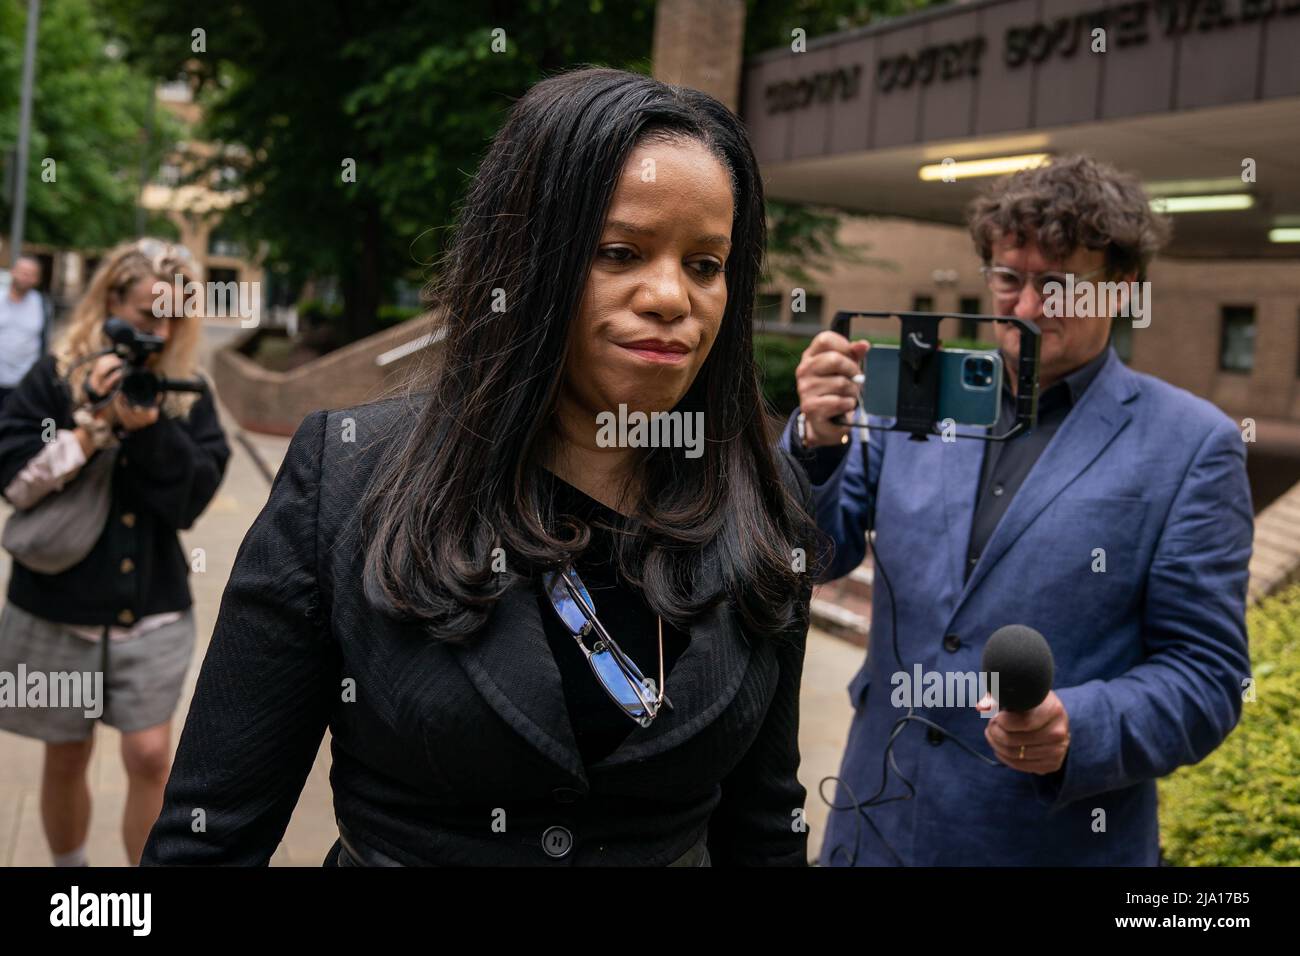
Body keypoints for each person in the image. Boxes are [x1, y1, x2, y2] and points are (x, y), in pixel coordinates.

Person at [142, 67, 823, 867]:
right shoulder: (349, 479)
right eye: (619, 252)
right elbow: (209, 836)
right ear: (527, 260)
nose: (672, 295)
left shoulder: (769, 504)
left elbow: (765, 825)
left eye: (706, 264)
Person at [782, 155, 1253, 865]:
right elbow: (817, 553)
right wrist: (815, 442)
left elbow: (1209, 677)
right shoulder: (918, 397)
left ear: (1121, 289)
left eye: (1058, 285)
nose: (1028, 308)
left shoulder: (1192, 445)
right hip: (874, 828)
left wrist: (1079, 727)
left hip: (1048, 842)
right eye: (1009, 279)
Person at [0, 238, 231, 866]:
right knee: (67, 751)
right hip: (56, 607)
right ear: (108, 302)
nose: (155, 331)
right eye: (143, 314)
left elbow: (191, 500)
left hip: (150, 609)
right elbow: (13, 481)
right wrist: (88, 429)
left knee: (152, 756)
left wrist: (149, 431)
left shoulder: (183, 391)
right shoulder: (54, 377)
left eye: (170, 318)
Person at [0, 256, 53, 411]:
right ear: (13, 272)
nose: (25, 277)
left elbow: (45, 342)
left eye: (31, 274)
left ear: (37, 279)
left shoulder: (43, 305)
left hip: (24, 383)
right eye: (22, 272)